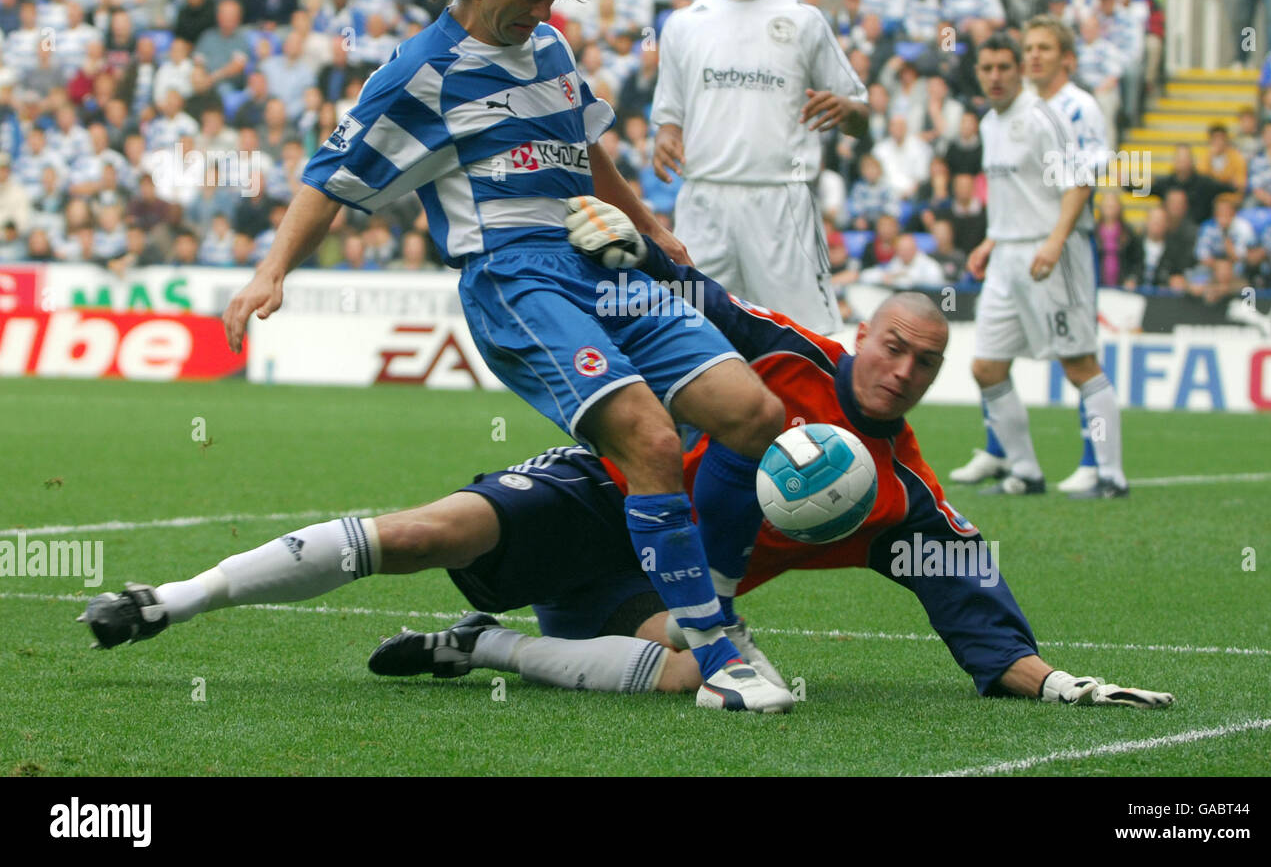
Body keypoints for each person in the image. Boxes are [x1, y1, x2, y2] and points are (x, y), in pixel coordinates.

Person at [82, 231, 1174, 711]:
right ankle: (171, 598)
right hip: (606, 486)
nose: (902, 366)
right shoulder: (792, 352)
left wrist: (1050, 677)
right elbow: (698, 296)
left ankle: (484, 646)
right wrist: (624, 251)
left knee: (702, 674)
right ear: (864, 336)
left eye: (926, 361)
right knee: (421, 535)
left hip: (667, 593)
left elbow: (969, 599)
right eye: (891, 342)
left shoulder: (903, 495)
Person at [219, 0, 789, 714]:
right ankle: (715, 653)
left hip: (608, 267)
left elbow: (587, 146)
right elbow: (333, 178)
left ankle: (711, 606)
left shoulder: (551, 48)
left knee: (754, 414)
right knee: (651, 441)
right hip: (518, 280)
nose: (540, 8)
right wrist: (273, 270)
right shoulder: (423, 71)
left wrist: (650, 226)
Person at [651, 0, 869, 335]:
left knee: (807, 341)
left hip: (783, 201)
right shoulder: (684, 24)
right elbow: (670, 116)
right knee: (695, 335)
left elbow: (860, 116)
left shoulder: (804, 20)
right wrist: (666, 138)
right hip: (706, 202)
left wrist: (847, 109)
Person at [960, 20, 1128, 499]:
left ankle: (1110, 475)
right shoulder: (991, 123)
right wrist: (991, 240)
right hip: (1007, 257)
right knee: (986, 367)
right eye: (987, 68)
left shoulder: (1049, 116)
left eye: (1005, 67)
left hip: (1051, 252)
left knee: (1079, 364)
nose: (996, 76)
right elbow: (1012, 190)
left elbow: (1079, 181)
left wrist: (1055, 240)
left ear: (1018, 73)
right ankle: (1025, 471)